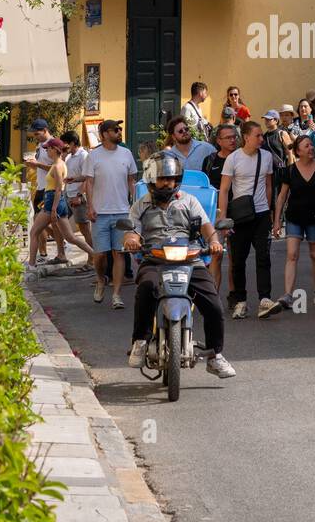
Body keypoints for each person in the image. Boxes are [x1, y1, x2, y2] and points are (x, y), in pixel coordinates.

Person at [120, 153, 235, 379]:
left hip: (190, 259)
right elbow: (130, 231)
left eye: (171, 179)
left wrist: (213, 242)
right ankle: (141, 341)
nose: (167, 183)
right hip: (154, 259)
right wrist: (132, 240)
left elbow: (207, 228)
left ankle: (215, 356)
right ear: (152, 180)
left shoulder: (189, 201)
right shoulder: (140, 205)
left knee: (214, 304)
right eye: (162, 179)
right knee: (145, 289)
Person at [217, 120, 282, 319]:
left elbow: (269, 185)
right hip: (240, 215)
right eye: (258, 135)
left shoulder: (267, 156)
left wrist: (270, 211)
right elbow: (225, 189)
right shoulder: (233, 159)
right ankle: (240, 301)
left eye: (262, 135)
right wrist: (224, 219)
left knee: (264, 257)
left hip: (261, 214)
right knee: (238, 261)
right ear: (246, 137)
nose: (261, 139)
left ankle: (265, 300)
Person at [273, 133, 315, 308]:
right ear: (298, 151)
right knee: (292, 255)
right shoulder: (291, 170)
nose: (311, 148)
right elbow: (282, 197)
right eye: (307, 146)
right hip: (294, 217)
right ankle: (287, 295)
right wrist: (277, 221)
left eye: (311, 145)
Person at [83, 120, 138, 310]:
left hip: (122, 211)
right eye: (116, 130)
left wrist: (135, 206)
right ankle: (100, 279)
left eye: (120, 129)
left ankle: (116, 294)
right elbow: (88, 183)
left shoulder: (126, 153)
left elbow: (132, 181)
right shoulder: (93, 156)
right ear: (105, 134)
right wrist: (90, 206)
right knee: (99, 255)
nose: (119, 132)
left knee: (119, 254)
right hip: (100, 212)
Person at [27, 138, 96, 270]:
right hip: (54, 201)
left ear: (55, 150)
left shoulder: (58, 166)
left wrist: (53, 209)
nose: (47, 151)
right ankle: (95, 254)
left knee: (34, 232)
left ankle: (31, 264)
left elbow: (58, 188)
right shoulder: (58, 164)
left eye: (48, 149)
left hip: (53, 201)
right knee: (70, 237)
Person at [24, 118, 66, 263]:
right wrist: (33, 165)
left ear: (45, 130)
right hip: (41, 187)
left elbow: (57, 169)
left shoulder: (53, 146)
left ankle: (60, 251)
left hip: (50, 190)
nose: (36, 137)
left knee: (46, 223)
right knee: (41, 223)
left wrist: (38, 164)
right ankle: (44, 253)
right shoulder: (41, 145)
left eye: (37, 134)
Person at [204, 123, 238, 289]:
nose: (233, 140)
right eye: (228, 138)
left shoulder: (241, 157)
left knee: (235, 257)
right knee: (216, 255)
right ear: (218, 140)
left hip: (238, 212)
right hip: (215, 214)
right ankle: (212, 297)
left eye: (234, 137)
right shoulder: (210, 160)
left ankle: (233, 294)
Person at [59, 130, 93, 253]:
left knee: (84, 228)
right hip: (68, 194)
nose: (62, 146)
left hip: (78, 197)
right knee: (58, 222)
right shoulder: (69, 156)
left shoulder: (83, 156)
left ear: (73, 143)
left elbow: (87, 178)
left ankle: (92, 258)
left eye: (65, 143)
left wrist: (79, 195)